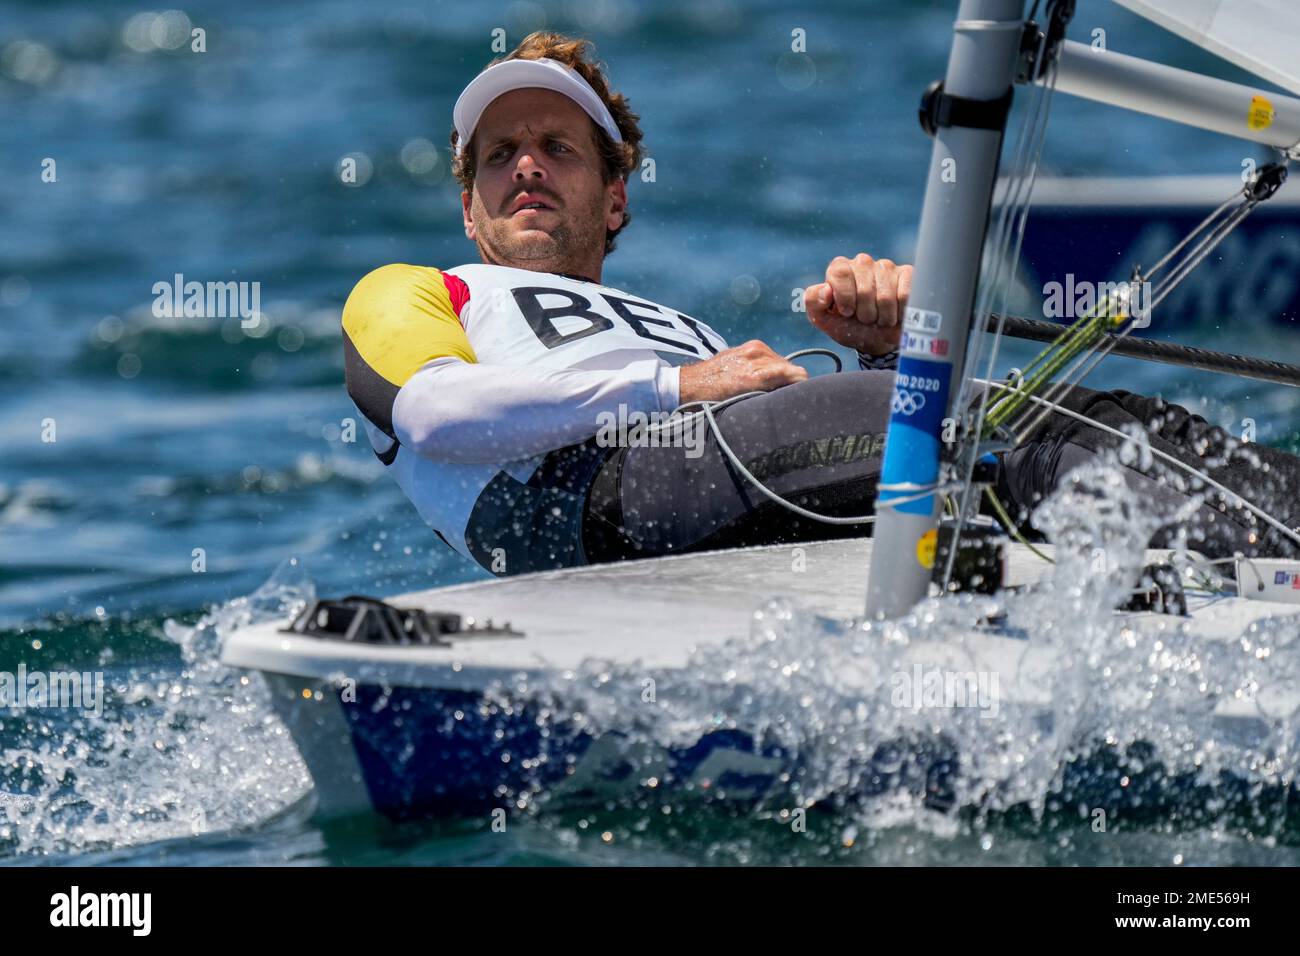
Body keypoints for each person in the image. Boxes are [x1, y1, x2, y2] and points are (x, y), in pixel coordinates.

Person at [341, 32, 1299, 577]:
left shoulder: (683, 328)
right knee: (979, 431)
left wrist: (889, 352)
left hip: (713, 502)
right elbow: (435, 413)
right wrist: (679, 388)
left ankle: (1261, 561)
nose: (526, 165)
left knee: (1088, 421)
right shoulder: (419, 293)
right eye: (500, 155)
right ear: (469, 207)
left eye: (556, 146)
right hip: (580, 503)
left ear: (615, 195)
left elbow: (804, 457)